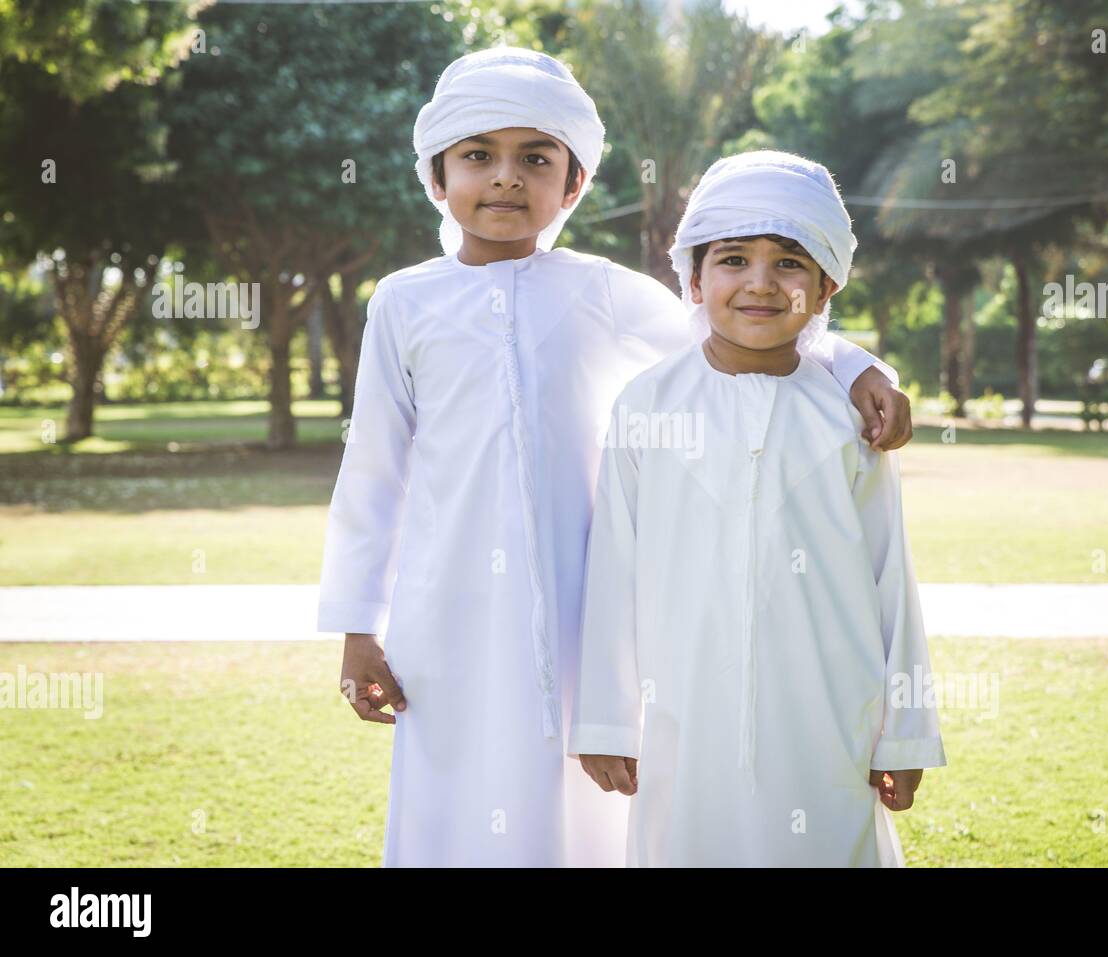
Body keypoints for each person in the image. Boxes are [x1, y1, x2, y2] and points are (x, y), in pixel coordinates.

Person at [316, 49, 914, 867]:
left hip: (582, 610)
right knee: (454, 803)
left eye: (535, 158)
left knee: (585, 810)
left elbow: (743, 321)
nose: (504, 179)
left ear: (573, 185)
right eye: (477, 156)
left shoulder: (601, 291)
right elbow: (373, 472)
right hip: (443, 612)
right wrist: (358, 627)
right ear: (436, 176)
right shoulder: (402, 302)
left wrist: (855, 365)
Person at [570, 150, 946, 867]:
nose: (761, 285)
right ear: (694, 278)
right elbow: (612, 572)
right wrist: (606, 720)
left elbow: (890, 580)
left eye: (790, 264)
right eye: (734, 259)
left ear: (827, 282)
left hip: (829, 715)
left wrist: (905, 733)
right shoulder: (647, 404)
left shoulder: (848, 414)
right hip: (682, 714)